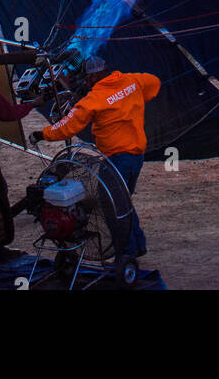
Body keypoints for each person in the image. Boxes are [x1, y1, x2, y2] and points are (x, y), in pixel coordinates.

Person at [30, 56, 160, 259]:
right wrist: (132, 100)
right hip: (137, 156)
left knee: (112, 205)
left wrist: (42, 134)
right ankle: (138, 244)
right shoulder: (132, 81)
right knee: (123, 202)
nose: (85, 81)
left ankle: (126, 254)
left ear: (92, 75)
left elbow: (67, 127)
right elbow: (154, 82)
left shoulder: (94, 100)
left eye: (86, 77)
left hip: (117, 159)